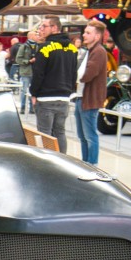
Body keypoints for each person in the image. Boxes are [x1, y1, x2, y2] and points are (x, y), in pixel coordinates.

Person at [29, 15, 78, 155]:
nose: (41, 29)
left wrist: (34, 93)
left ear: (55, 28)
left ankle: (47, 163)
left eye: (44, 26)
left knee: (45, 134)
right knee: (60, 132)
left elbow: (38, 74)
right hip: (64, 97)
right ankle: (62, 160)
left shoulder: (45, 48)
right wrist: (69, 91)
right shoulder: (72, 49)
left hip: (46, 98)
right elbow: (73, 74)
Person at [75, 19, 109, 165]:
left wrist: (76, 78)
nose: (84, 35)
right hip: (81, 97)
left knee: (89, 135)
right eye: (84, 32)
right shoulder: (90, 51)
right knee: (83, 135)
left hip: (88, 100)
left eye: (88, 33)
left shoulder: (98, 52)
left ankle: (92, 164)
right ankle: (86, 163)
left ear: (97, 36)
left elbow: (89, 73)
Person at [15, 29, 38, 114]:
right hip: (26, 72)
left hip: (34, 72)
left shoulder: (37, 46)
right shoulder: (23, 46)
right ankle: (23, 107)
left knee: (33, 90)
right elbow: (18, 59)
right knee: (25, 90)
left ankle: (32, 108)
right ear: (31, 36)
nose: (37, 37)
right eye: (36, 35)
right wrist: (28, 61)